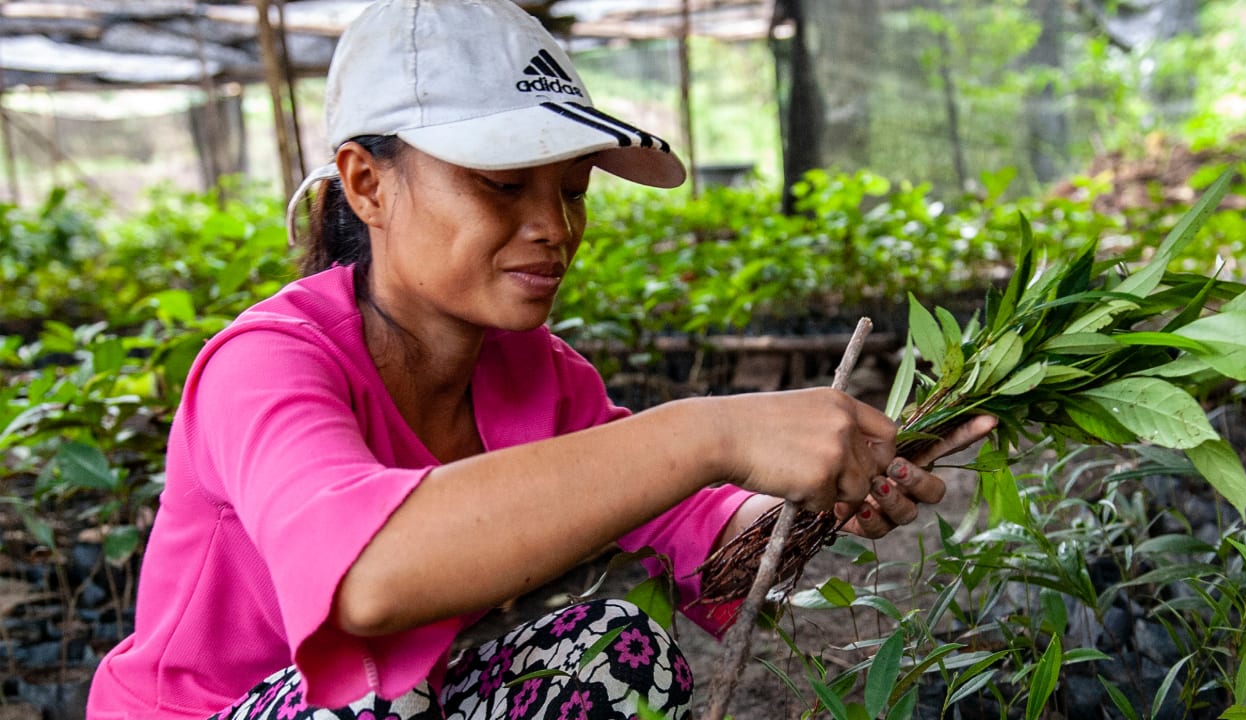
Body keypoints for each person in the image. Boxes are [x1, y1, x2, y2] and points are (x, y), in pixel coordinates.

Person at [86, 1, 995, 718]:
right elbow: (364, 579)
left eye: (572, 190)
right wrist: (711, 431)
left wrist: (836, 484)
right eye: (501, 184)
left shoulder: (538, 375)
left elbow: (695, 528)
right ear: (367, 184)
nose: (553, 227)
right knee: (384, 678)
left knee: (611, 648)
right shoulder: (265, 365)